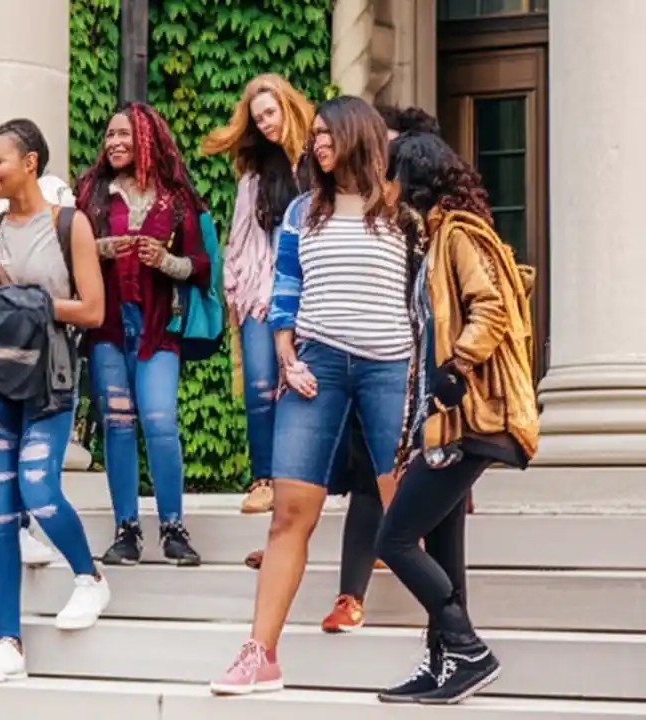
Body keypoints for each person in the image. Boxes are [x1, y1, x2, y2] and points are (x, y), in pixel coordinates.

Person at [211, 96, 411, 695]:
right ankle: (259, 653)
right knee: (288, 515)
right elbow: (286, 289)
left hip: (389, 367)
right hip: (314, 369)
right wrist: (286, 354)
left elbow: (423, 299)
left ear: (357, 137)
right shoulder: (302, 211)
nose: (316, 144)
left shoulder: (402, 211)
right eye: (315, 135)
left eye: (327, 134)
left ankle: (448, 634)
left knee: (408, 506)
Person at [375, 131, 537, 705]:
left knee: (393, 537)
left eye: (389, 174)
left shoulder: (460, 236)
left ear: (411, 178)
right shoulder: (434, 238)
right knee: (443, 546)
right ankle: (445, 662)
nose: (384, 186)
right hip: (443, 419)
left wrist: (456, 367)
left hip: (467, 417)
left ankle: (467, 649)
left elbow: (491, 306)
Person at [0, 118, 109, 684]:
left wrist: (19, 297)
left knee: (38, 486)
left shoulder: (70, 224)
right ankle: (8, 643)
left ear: (30, 163)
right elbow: (3, 304)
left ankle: (90, 578)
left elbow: (91, 310)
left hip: (50, 374)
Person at [74, 101, 210, 566]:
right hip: (107, 327)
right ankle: (125, 530)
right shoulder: (91, 191)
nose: (113, 143)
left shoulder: (175, 197)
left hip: (158, 327)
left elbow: (201, 265)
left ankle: (173, 527)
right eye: (110, 135)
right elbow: (67, 251)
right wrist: (98, 248)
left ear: (146, 140)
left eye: (124, 135)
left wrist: (166, 261)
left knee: (159, 421)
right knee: (116, 422)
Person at [200, 73, 314, 517]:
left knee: (307, 386)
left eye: (270, 112)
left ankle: (304, 478)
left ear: (287, 106)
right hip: (260, 289)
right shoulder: (254, 175)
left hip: (315, 288)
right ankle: (263, 477)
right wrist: (244, 292)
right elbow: (243, 240)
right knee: (262, 383)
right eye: (257, 117)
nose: (265, 123)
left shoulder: (317, 162)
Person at [0, 174, 77, 569]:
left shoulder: (57, 199)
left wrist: (8, 280)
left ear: (29, 162)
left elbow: (61, 274)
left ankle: (78, 567)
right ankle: (18, 528)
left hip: (42, 337)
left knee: (31, 441)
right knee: (1, 444)